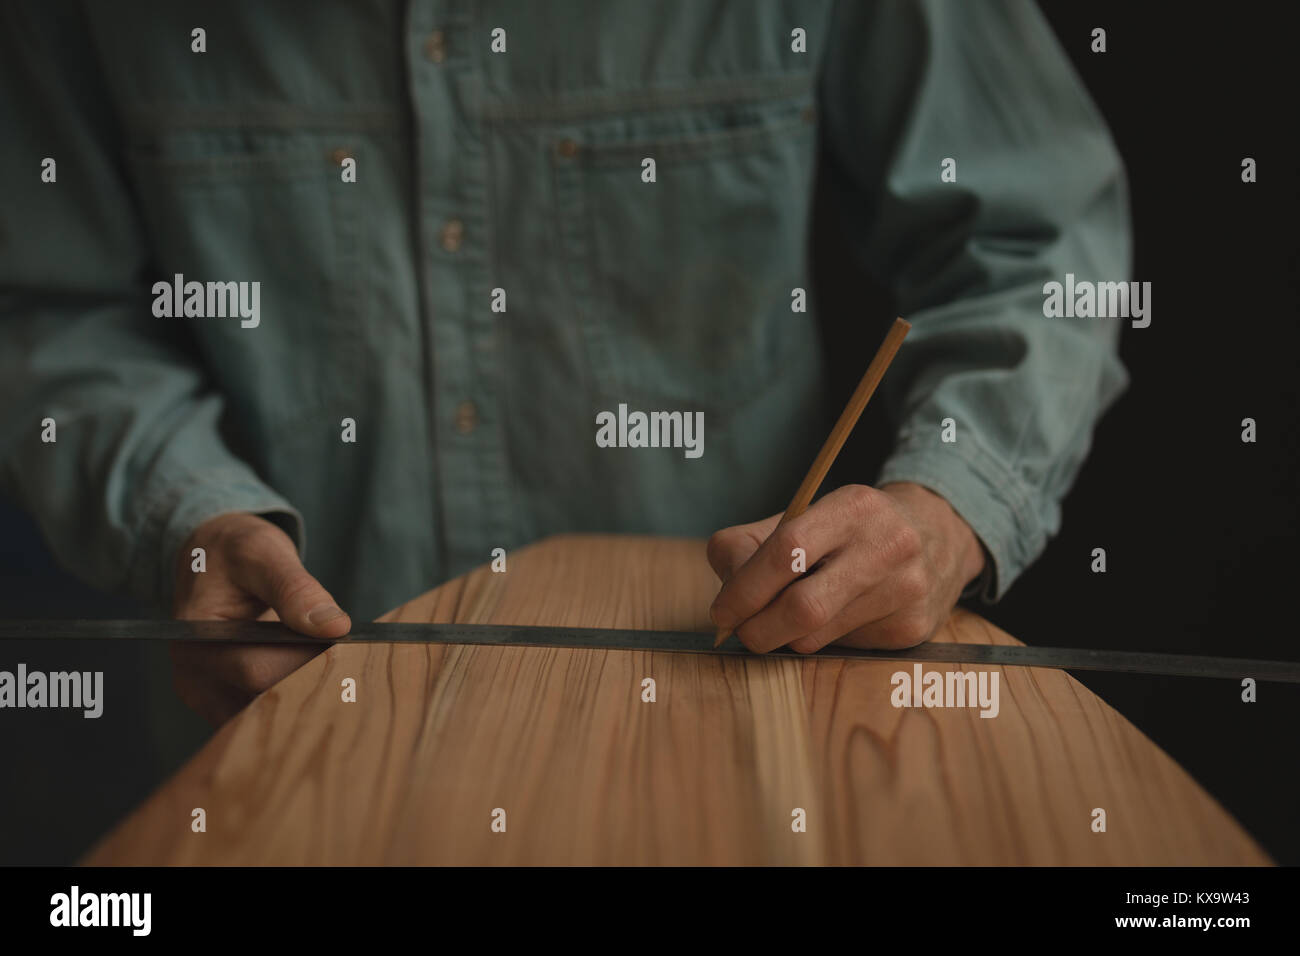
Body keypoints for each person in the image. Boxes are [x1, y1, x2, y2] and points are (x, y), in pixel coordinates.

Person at [0, 1, 1128, 726]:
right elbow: (48, 310)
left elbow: (1039, 241)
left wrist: (939, 510)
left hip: (743, 730)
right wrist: (183, 513)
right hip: (278, 734)